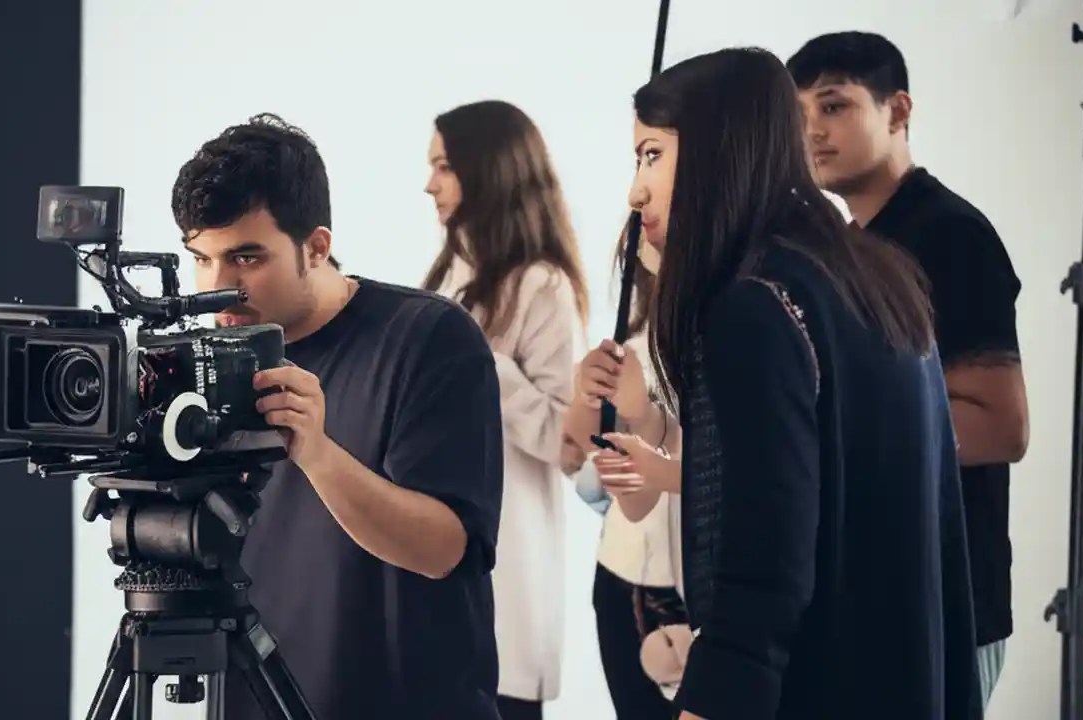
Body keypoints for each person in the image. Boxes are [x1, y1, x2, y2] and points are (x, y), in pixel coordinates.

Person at [594, 47, 983, 719]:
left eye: (652, 155)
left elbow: (761, 575)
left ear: (719, 152)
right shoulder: (871, 280)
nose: (636, 191)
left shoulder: (752, 306)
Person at [171, 112, 504, 720]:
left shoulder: (429, 338)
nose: (217, 288)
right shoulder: (208, 359)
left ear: (317, 247)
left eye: (246, 258)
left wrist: (317, 453)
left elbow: (444, 549)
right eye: (202, 258)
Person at [788, 31, 1029, 707]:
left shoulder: (950, 233)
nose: (812, 131)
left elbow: (1002, 427)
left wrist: (831, 435)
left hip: (946, 605)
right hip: (875, 598)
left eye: (833, 106)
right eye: (799, 114)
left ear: (897, 111)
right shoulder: (852, 244)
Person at [420, 99, 589, 720]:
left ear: (489, 170)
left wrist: (473, 358)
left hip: (510, 571)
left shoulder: (542, 285)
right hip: (439, 559)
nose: (429, 184)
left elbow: (567, 441)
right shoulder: (451, 278)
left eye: (444, 166)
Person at [560, 227, 688, 718]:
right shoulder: (633, 345)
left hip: (691, 581)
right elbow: (580, 450)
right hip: (624, 574)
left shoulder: (727, 339)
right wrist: (587, 395)